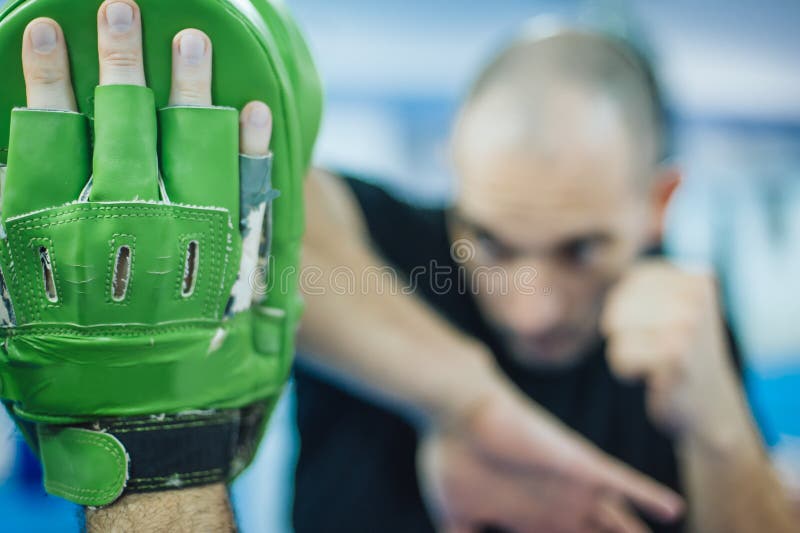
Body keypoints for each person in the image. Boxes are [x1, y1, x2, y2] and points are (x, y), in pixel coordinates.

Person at [294, 27, 798, 533]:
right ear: (458, 177)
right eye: (491, 243)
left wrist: (721, 433)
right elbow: (255, 213)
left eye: (580, 250)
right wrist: (465, 402)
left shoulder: (683, 328)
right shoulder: (385, 251)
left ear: (658, 203)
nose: (530, 312)